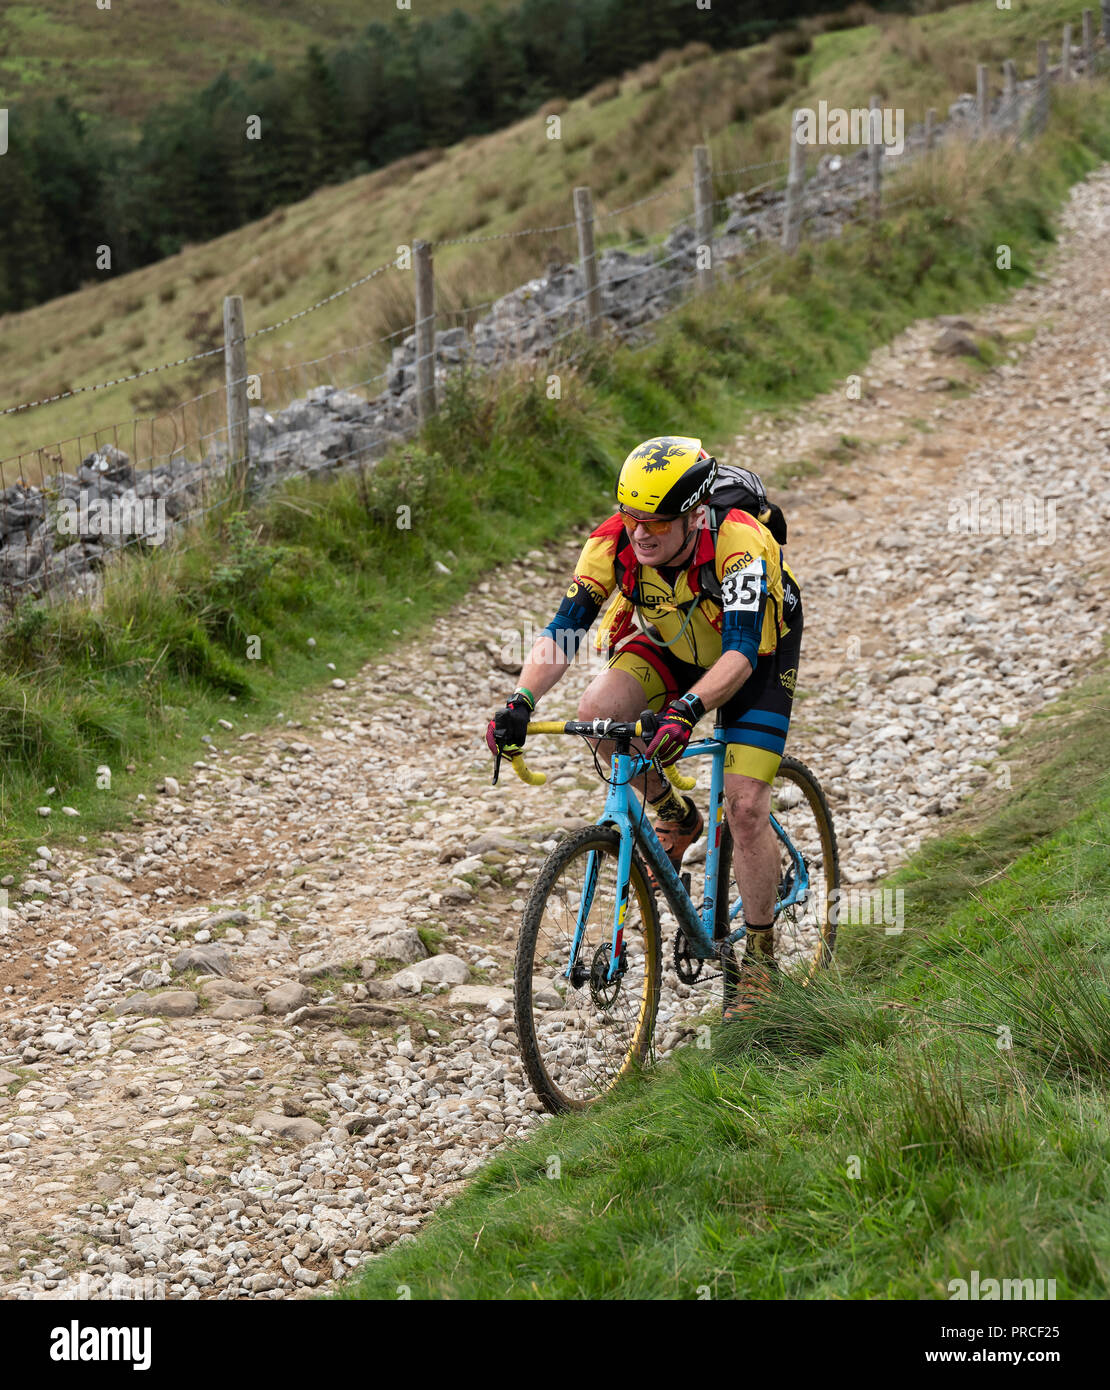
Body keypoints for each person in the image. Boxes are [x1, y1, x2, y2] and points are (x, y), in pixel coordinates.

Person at [486, 436, 802, 1019]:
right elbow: (563, 630)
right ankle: (674, 812)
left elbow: (737, 653)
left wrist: (687, 709)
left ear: (694, 514)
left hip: (750, 654)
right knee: (597, 715)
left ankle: (759, 961)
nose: (641, 534)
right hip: (671, 643)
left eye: (657, 522)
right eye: (632, 518)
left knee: (747, 803)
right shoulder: (613, 543)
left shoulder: (737, 543)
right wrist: (521, 699)